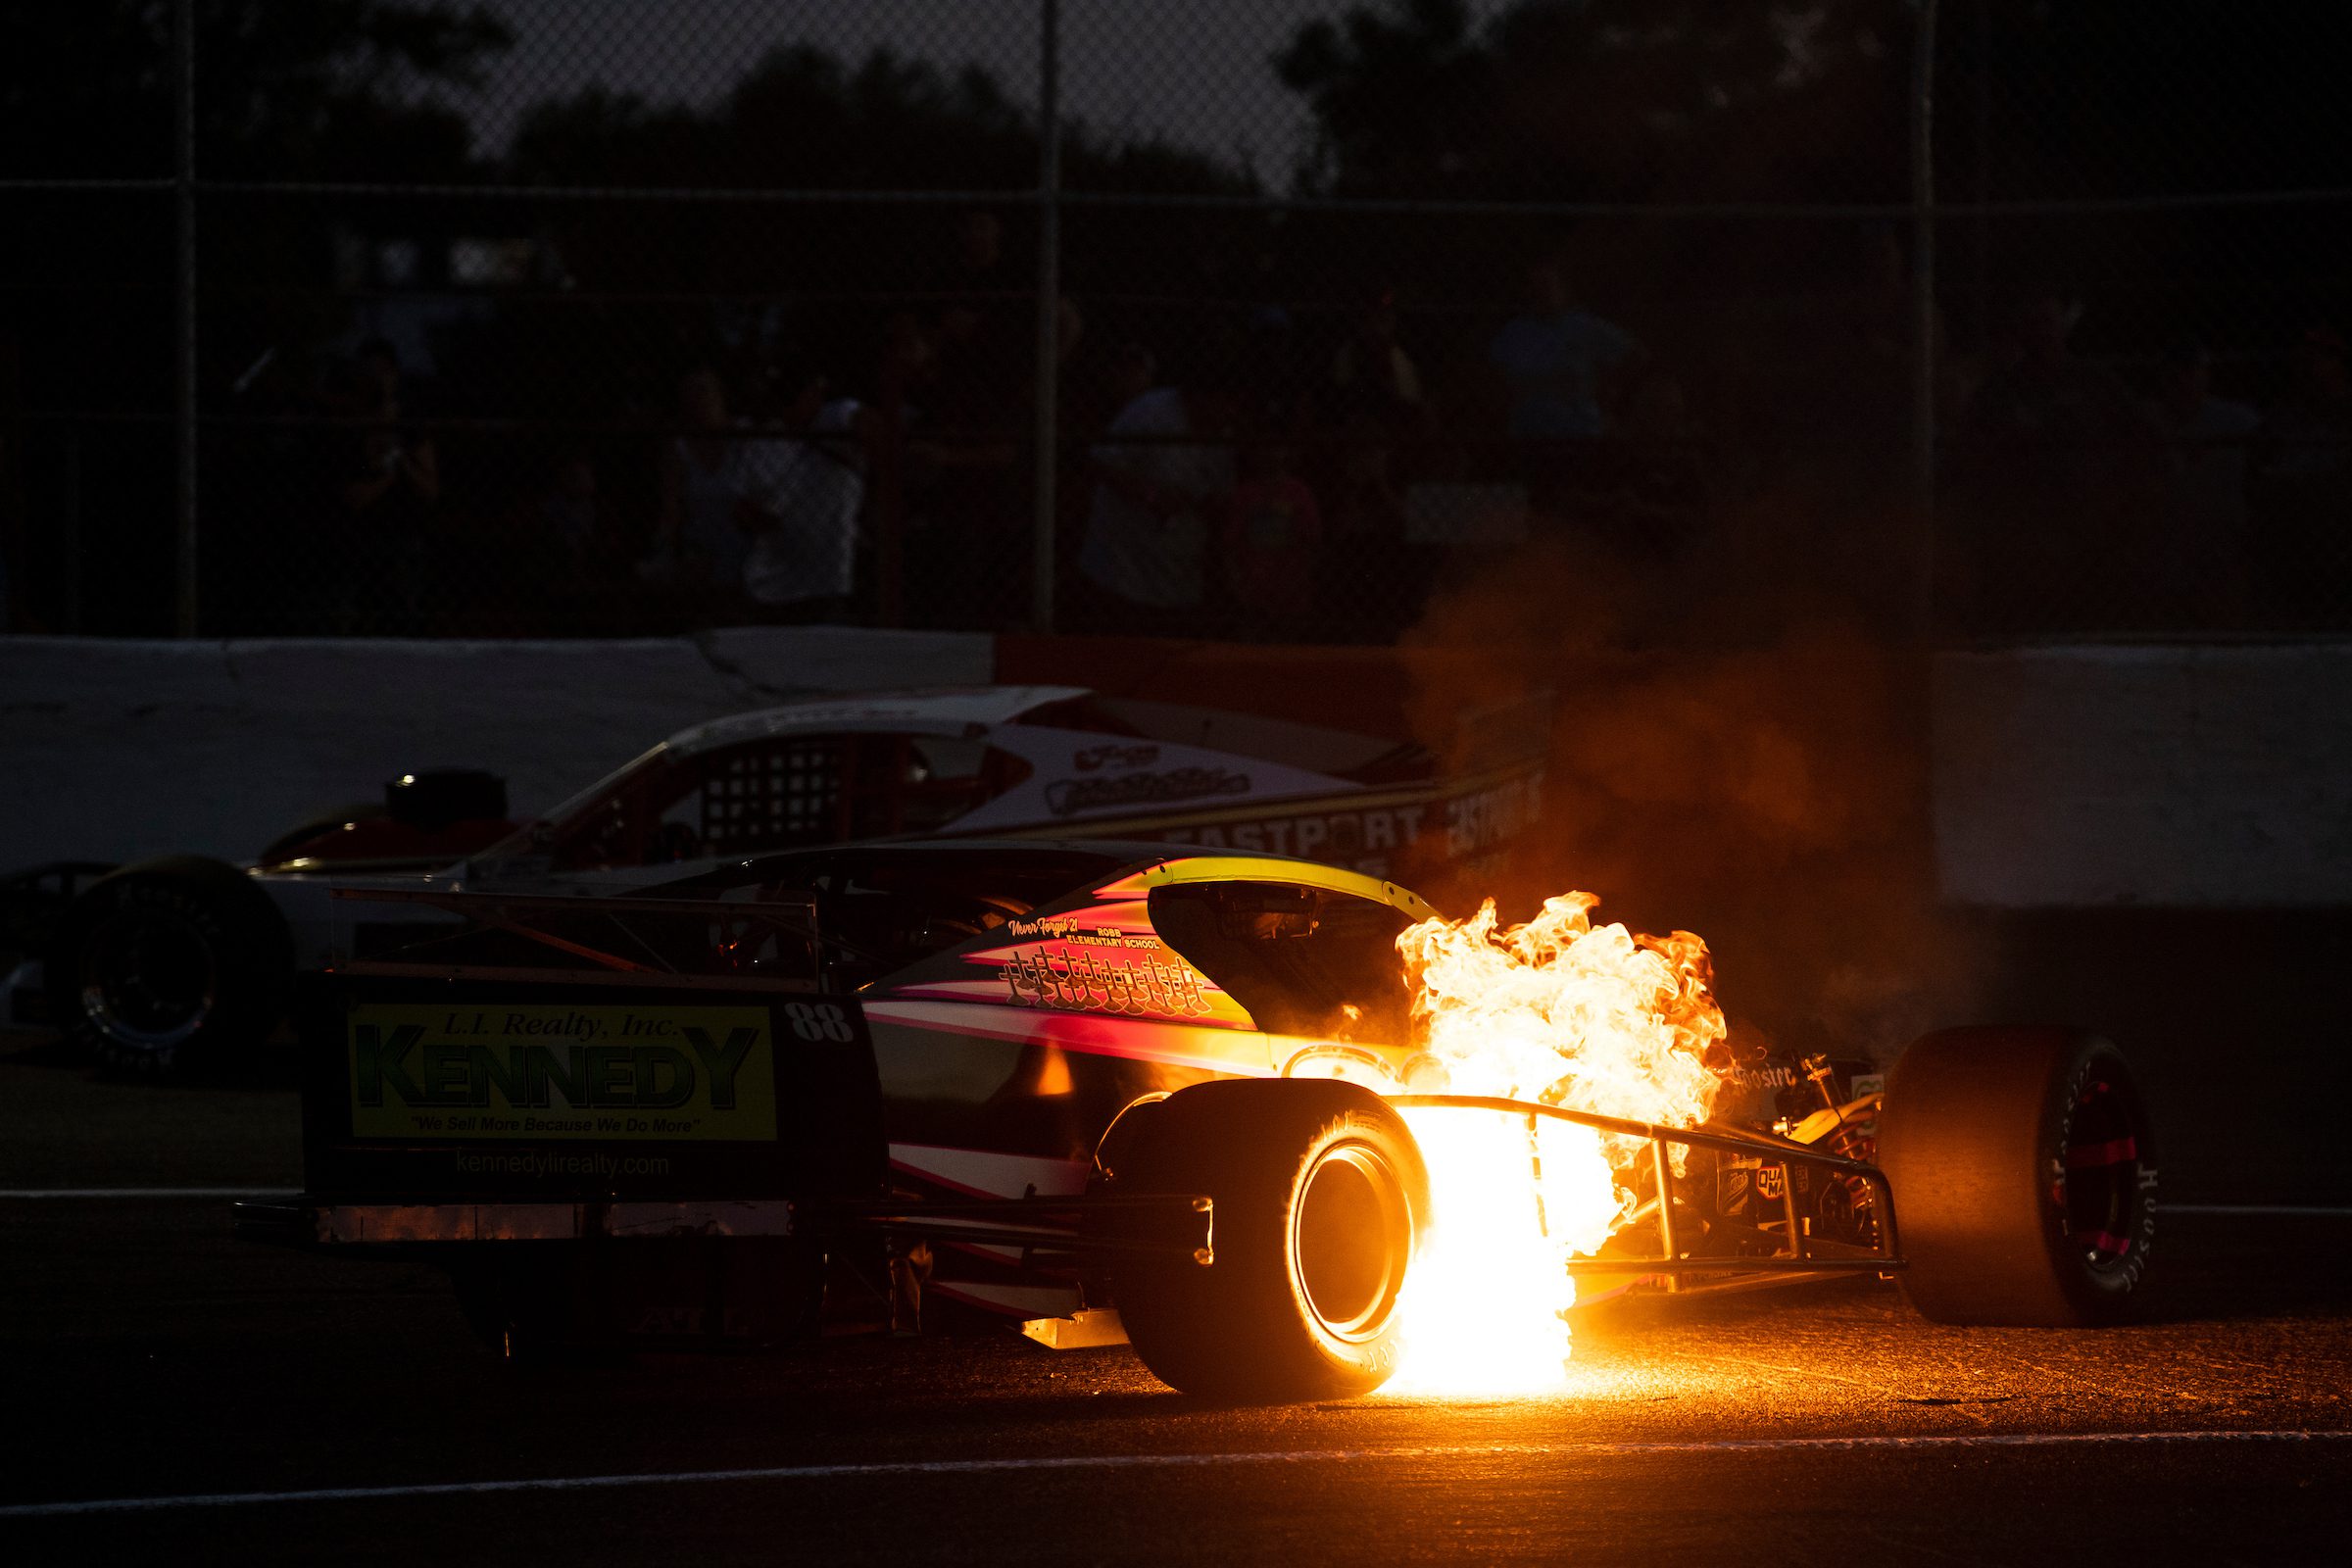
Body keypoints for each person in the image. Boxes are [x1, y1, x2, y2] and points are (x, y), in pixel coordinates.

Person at [1077, 347, 1236, 634]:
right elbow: (1100, 462)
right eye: (1222, 401)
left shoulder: (1224, 433)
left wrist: (1205, 505)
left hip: (1181, 570)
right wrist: (1151, 494)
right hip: (1124, 565)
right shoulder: (1152, 411)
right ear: (1200, 397)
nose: (1228, 410)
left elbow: (1220, 494)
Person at [739, 356, 868, 624]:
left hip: (827, 585)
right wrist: (758, 519)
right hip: (770, 585)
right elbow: (743, 509)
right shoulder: (764, 441)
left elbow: (867, 424)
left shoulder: (832, 421)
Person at [2144, 338, 2259, 621]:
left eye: (2191, 372)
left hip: (2223, 532)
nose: (2183, 382)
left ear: (2204, 375)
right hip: (2166, 535)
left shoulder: (2237, 421)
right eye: (2175, 374)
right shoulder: (2146, 420)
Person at [1487, 257, 1639, 442]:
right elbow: (1496, 377)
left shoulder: (1584, 326)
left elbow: (1634, 358)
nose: (1542, 293)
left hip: (1579, 431)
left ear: (1562, 289)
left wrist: (1614, 400)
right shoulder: (1514, 332)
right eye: (1535, 287)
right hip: (1529, 431)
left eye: (1547, 285)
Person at [653, 367, 754, 616]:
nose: (698, 400)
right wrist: (667, 551)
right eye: (690, 394)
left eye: (703, 391)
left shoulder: (746, 437)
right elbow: (671, 509)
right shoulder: (679, 448)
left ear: (720, 396)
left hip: (746, 542)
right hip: (700, 546)